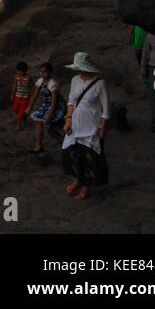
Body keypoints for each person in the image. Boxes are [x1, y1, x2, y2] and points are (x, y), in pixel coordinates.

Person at [62, 52, 110, 200]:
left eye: (80, 68)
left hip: (91, 127)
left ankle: (86, 186)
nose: (78, 71)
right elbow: (71, 101)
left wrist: (102, 128)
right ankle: (77, 179)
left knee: (89, 159)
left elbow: (106, 109)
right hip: (75, 125)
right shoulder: (75, 80)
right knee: (71, 155)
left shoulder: (100, 84)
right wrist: (68, 119)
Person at [29, 62, 67, 153]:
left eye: (44, 72)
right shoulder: (40, 81)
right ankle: (39, 146)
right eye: (41, 71)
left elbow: (54, 102)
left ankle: (66, 144)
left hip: (57, 107)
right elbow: (35, 95)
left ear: (50, 73)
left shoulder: (53, 84)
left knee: (53, 130)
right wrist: (29, 107)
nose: (42, 73)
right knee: (38, 121)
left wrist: (49, 115)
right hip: (47, 105)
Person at [11, 62, 34, 130]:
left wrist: (32, 93)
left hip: (25, 98)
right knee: (15, 109)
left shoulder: (28, 78)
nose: (19, 72)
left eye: (21, 71)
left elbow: (33, 86)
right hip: (17, 96)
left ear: (25, 71)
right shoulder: (16, 77)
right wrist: (12, 95)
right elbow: (14, 86)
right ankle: (24, 116)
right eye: (18, 70)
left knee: (21, 111)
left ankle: (19, 124)